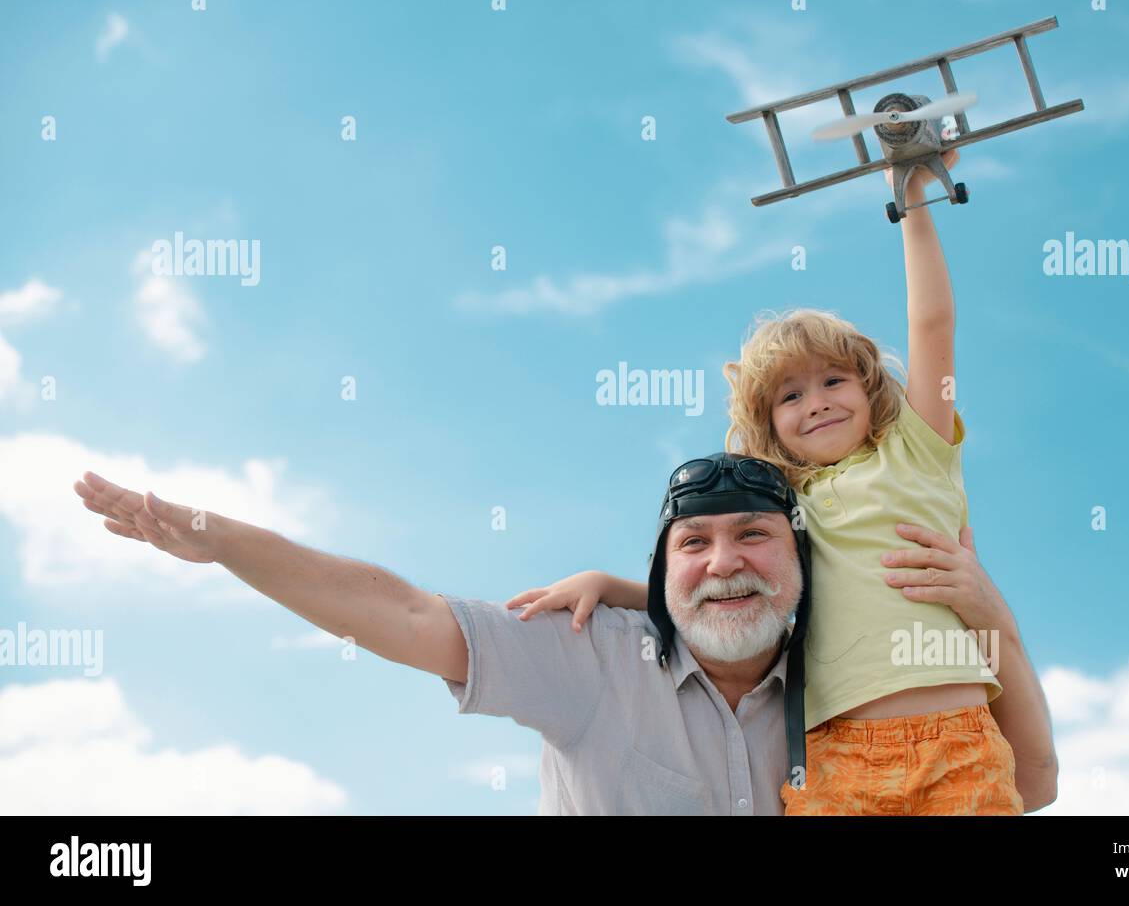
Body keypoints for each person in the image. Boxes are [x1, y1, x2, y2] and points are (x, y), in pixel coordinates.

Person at [72, 449, 1056, 814]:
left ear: (805, 570)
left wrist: (986, 609)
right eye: (694, 545)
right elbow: (403, 613)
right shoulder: (586, 656)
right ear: (660, 573)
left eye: (755, 537)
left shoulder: (847, 695)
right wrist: (222, 540)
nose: (724, 563)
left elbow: (1033, 783)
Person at [508, 151, 1040, 814]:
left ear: (872, 390)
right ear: (770, 423)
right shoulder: (784, 509)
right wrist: (607, 586)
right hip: (836, 749)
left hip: (956, 735)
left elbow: (934, 324)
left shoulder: (917, 451)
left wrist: (910, 198)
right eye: (790, 394)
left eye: (833, 380)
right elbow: (727, 590)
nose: (815, 400)